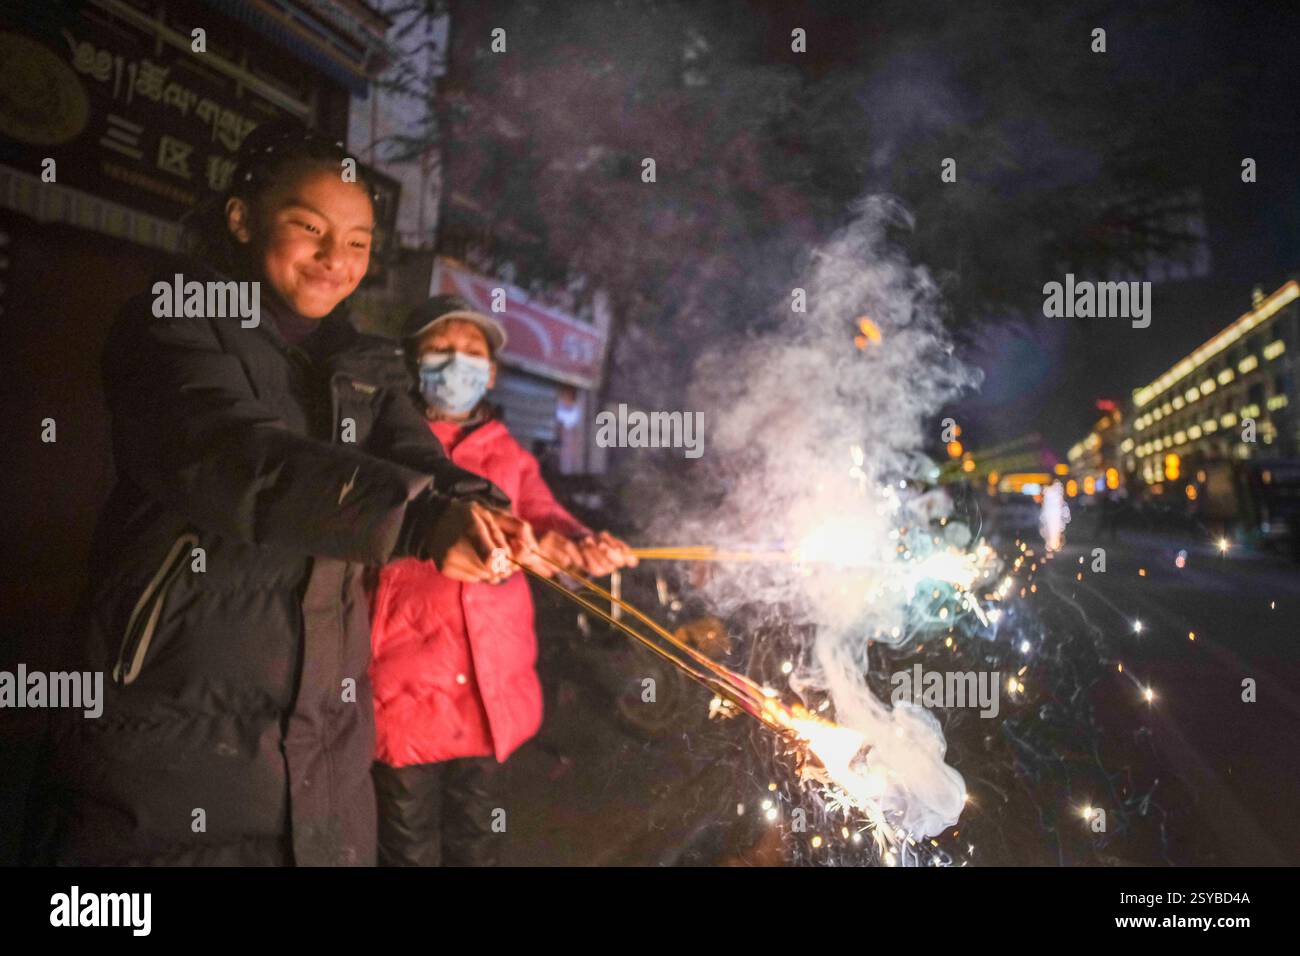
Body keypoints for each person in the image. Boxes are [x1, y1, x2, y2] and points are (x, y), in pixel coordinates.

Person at [36, 121, 536, 866]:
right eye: (310, 227)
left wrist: (481, 510)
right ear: (242, 219)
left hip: (325, 752)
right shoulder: (171, 323)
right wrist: (423, 519)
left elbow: (419, 458)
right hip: (169, 740)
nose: (337, 259)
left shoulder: (366, 366)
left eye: (360, 241)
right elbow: (237, 459)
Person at [368, 295, 636, 866]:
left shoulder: (508, 454)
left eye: (470, 352)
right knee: (405, 849)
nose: (456, 361)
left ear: (489, 373)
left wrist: (580, 546)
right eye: (440, 348)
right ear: (412, 360)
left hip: (493, 691)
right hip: (402, 691)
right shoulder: (381, 442)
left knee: (479, 843)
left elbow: (546, 518)